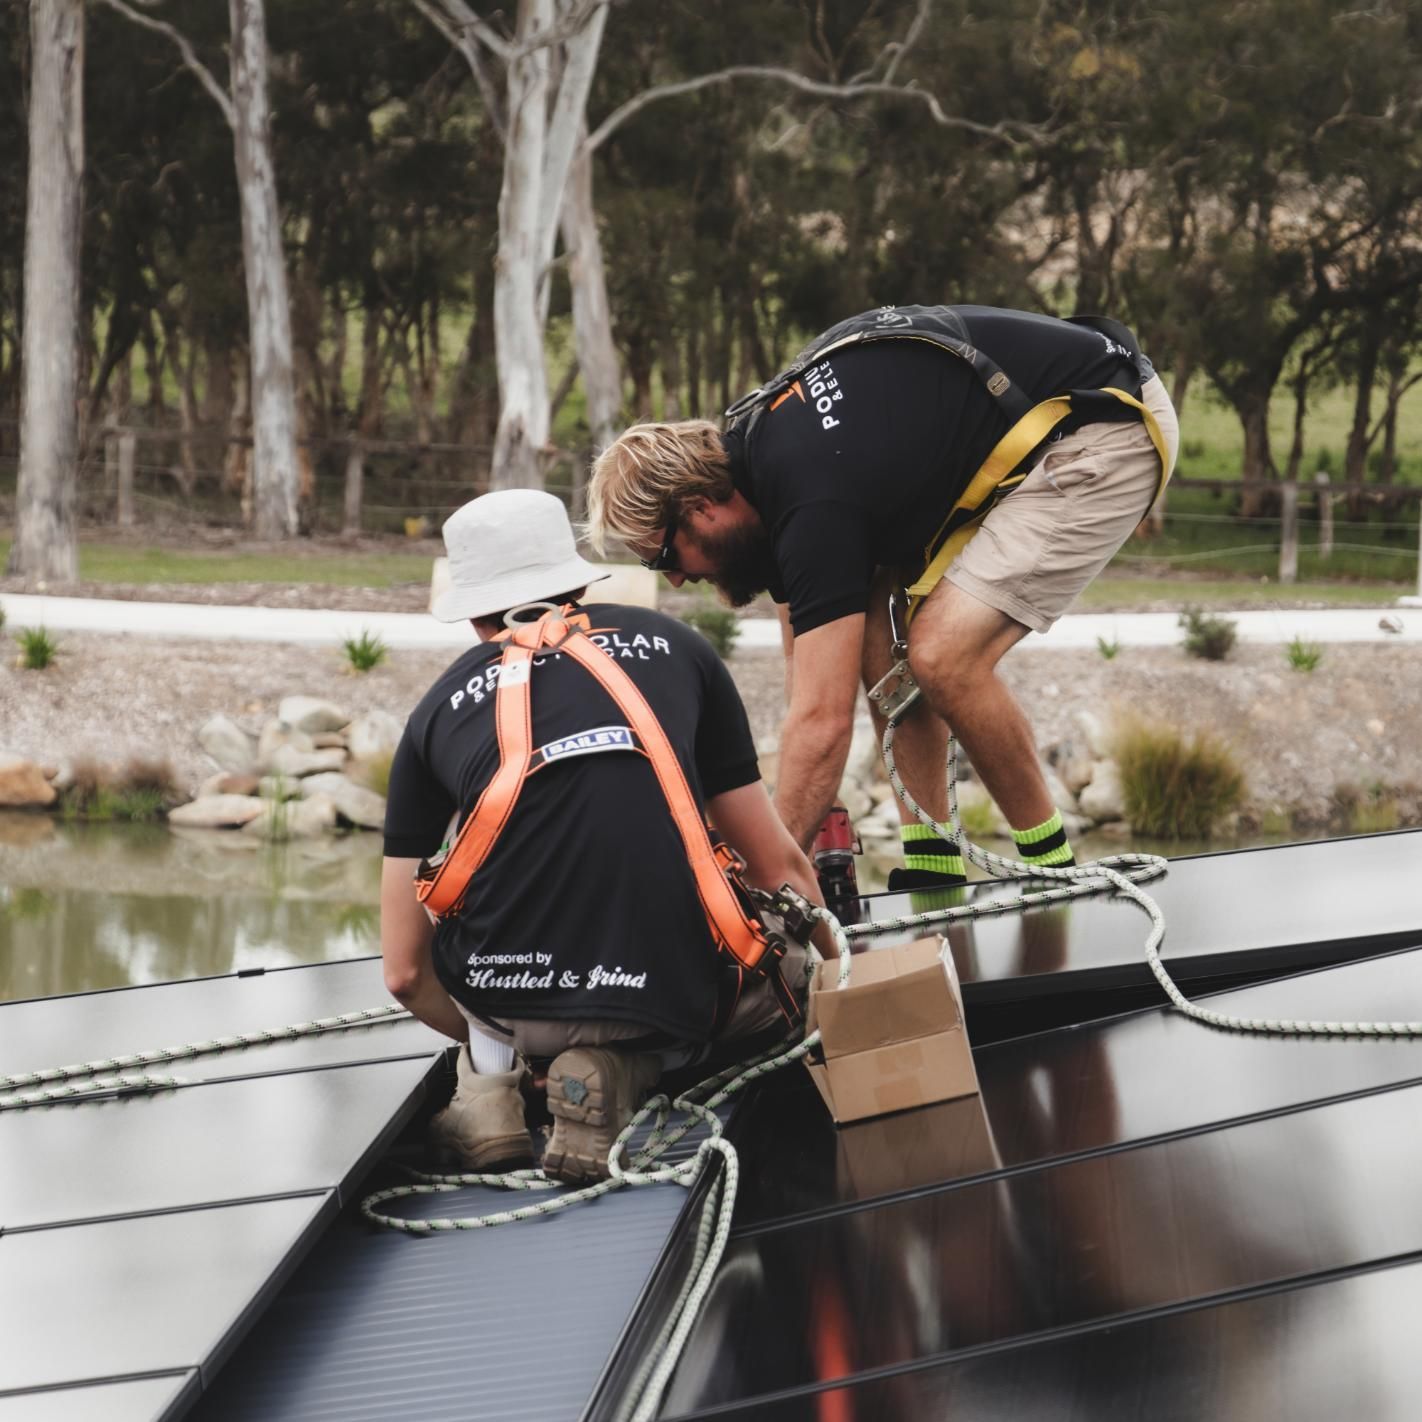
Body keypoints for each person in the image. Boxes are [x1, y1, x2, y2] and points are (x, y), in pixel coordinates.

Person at [586, 303, 1180, 887]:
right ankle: (934, 867)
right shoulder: (755, 459)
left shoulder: (808, 498)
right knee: (877, 642)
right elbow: (809, 681)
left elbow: (824, 725)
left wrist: (766, 888)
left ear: (700, 508)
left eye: (663, 556)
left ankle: (1054, 874)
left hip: (1106, 420)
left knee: (945, 656)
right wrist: (809, 815)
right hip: (1032, 413)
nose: (673, 580)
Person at [381, 489, 824, 1186]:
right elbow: (779, 867)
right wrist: (828, 975)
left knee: (448, 924)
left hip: (509, 1005)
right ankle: (636, 1065)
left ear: (473, 612)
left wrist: (520, 1024)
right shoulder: (681, 649)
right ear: (581, 581)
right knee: (781, 972)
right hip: (676, 996)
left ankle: (490, 1087)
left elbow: (404, 972)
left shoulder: (435, 708)